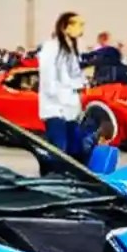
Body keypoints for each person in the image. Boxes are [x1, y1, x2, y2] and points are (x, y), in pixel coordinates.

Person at [38, 12, 91, 162]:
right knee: (59, 153)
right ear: (64, 26)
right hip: (56, 109)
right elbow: (49, 81)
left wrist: (81, 84)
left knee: (75, 152)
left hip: (71, 109)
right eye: (75, 24)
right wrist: (69, 90)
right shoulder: (51, 48)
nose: (79, 28)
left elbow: (75, 76)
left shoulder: (72, 50)